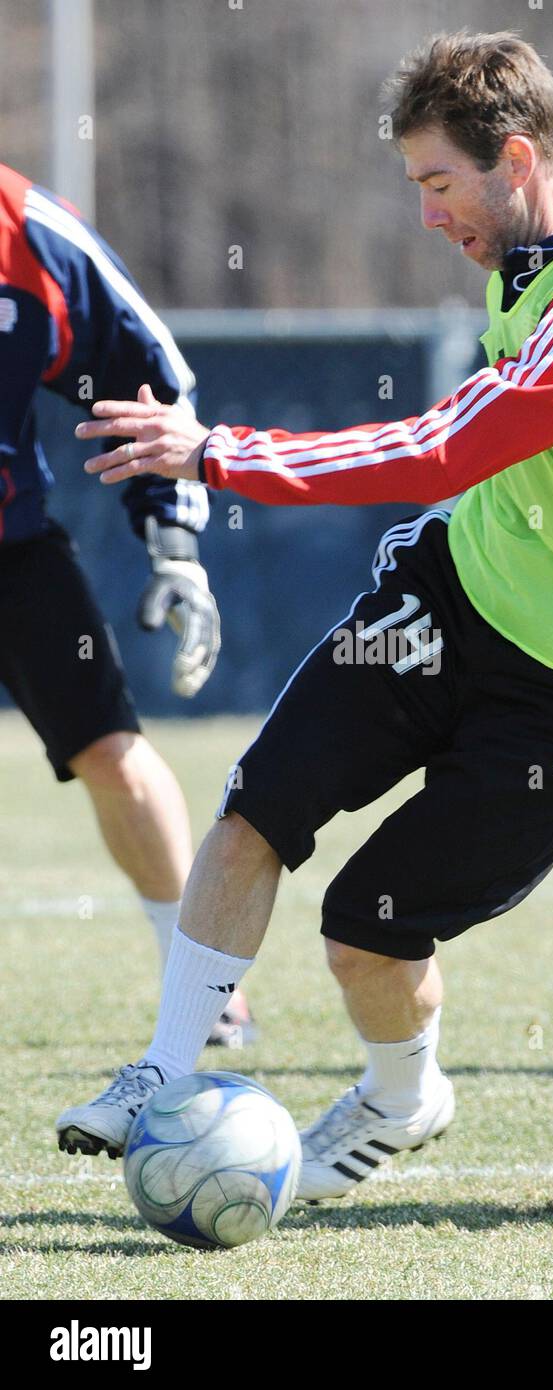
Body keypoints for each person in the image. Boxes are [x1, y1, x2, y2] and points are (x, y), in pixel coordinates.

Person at [56, 31, 553, 1193]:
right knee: (254, 810)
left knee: (364, 930)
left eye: (439, 183)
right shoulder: (545, 244)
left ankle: (402, 1098)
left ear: (516, 157)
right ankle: (164, 1075)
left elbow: (438, 447)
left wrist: (213, 452)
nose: (428, 214)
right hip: (449, 600)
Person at [0, 161, 252, 1047]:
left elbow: (147, 382)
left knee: (112, 750)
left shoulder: (27, 234)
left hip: (10, 549)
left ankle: (202, 983)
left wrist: (174, 542)